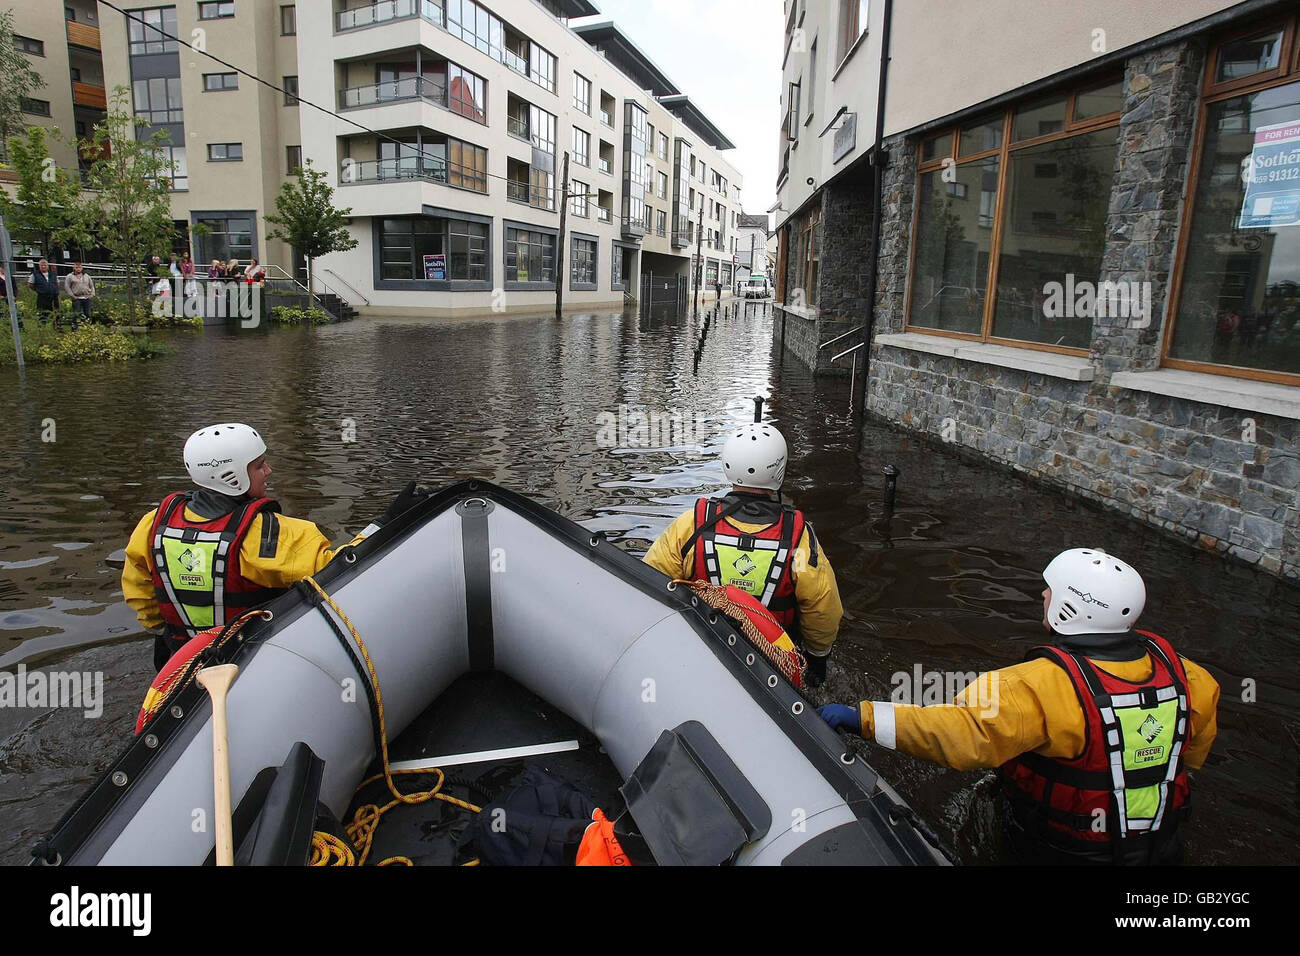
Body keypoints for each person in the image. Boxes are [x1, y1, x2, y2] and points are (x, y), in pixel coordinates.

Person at [818, 548, 1220, 865]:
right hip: (1161, 845)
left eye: (1051, 590)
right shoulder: (1191, 678)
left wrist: (862, 718)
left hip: (1060, 850)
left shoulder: (1032, 687)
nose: (1043, 595)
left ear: (1070, 607)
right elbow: (1193, 756)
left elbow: (957, 734)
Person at [122, 423, 428, 671]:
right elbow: (343, 569)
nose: (268, 471)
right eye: (259, 466)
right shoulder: (269, 534)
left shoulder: (154, 523)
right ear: (233, 478)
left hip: (179, 658)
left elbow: (140, 590)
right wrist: (388, 520)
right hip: (248, 661)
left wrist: (163, 630)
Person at [642, 420, 842, 686]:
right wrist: (817, 659)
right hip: (772, 663)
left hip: (705, 647)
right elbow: (823, 606)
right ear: (779, 471)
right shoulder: (799, 537)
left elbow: (650, 580)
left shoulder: (692, 524)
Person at [27, 259, 59, 327]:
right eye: (42, 265)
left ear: (48, 266)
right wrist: (38, 290)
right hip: (42, 297)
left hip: (53, 296)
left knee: (56, 312)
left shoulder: (53, 274)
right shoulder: (35, 274)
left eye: (45, 265)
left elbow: (57, 283)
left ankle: (57, 326)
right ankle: (42, 327)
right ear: (39, 266)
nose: (43, 267)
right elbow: (30, 284)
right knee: (42, 313)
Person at [65, 262, 95, 329]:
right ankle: (75, 328)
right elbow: (67, 287)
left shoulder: (87, 276)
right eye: (76, 267)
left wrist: (92, 294)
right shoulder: (70, 276)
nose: (78, 269)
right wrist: (72, 296)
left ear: (82, 268)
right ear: (74, 268)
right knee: (76, 314)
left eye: (79, 267)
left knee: (88, 313)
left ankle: (88, 327)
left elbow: (92, 286)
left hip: (87, 297)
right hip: (76, 298)